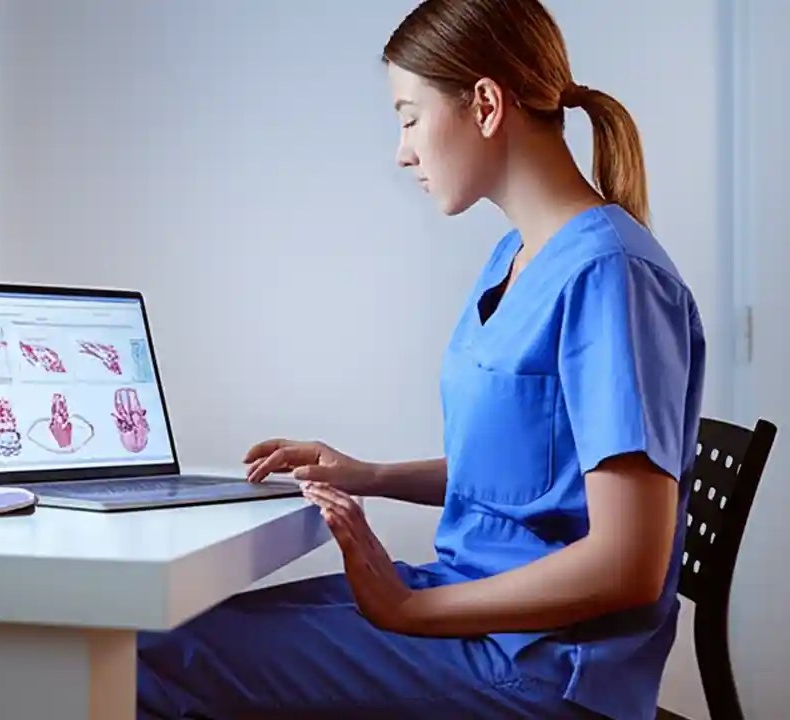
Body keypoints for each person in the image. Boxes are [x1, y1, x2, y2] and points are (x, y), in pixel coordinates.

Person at [136, 1, 705, 718]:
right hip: (472, 613)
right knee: (161, 635)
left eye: (408, 116)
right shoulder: (519, 259)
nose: (402, 150)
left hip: (536, 666)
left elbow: (627, 563)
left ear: (487, 104)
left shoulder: (610, 274)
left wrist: (404, 611)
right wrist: (369, 475)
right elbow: (534, 479)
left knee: (148, 661)